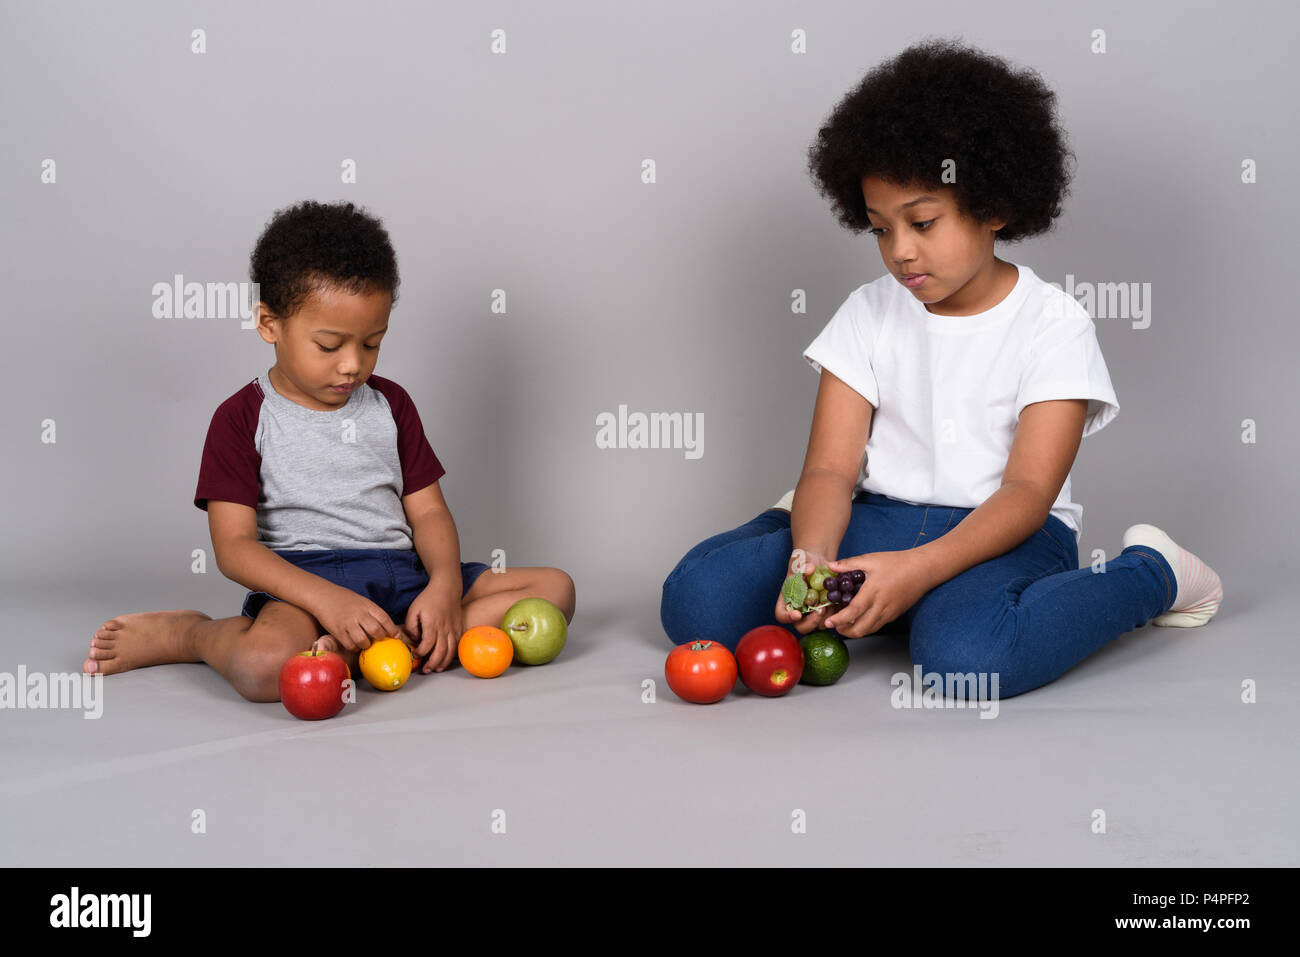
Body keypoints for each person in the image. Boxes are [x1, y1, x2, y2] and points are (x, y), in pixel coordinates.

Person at [660, 39, 1221, 699]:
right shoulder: (866, 314)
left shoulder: (1054, 324)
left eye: (923, 222)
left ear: (993, 206)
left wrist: (919, 568)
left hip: (1003, 530)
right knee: (697, 603)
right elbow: (830, 469)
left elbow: (1026, 495)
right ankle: (810, 532)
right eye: (879, 229)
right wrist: (810, 559)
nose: (900, 251)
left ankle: (1153, 572)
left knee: (964, 659)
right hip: (877, 514)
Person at [84, 201, 575, 701]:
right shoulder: (241, 418)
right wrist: (329, 600)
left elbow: (428, 513)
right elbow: (234, 547)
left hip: (405, 578)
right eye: (329, 345)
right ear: (269, 324)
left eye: (371, 343)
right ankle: (192, 634)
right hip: (306, 586)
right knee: (261, 668)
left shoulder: (391, 404)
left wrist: (444, 587)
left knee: (555, 590)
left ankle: (393, 641)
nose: (351, 365)